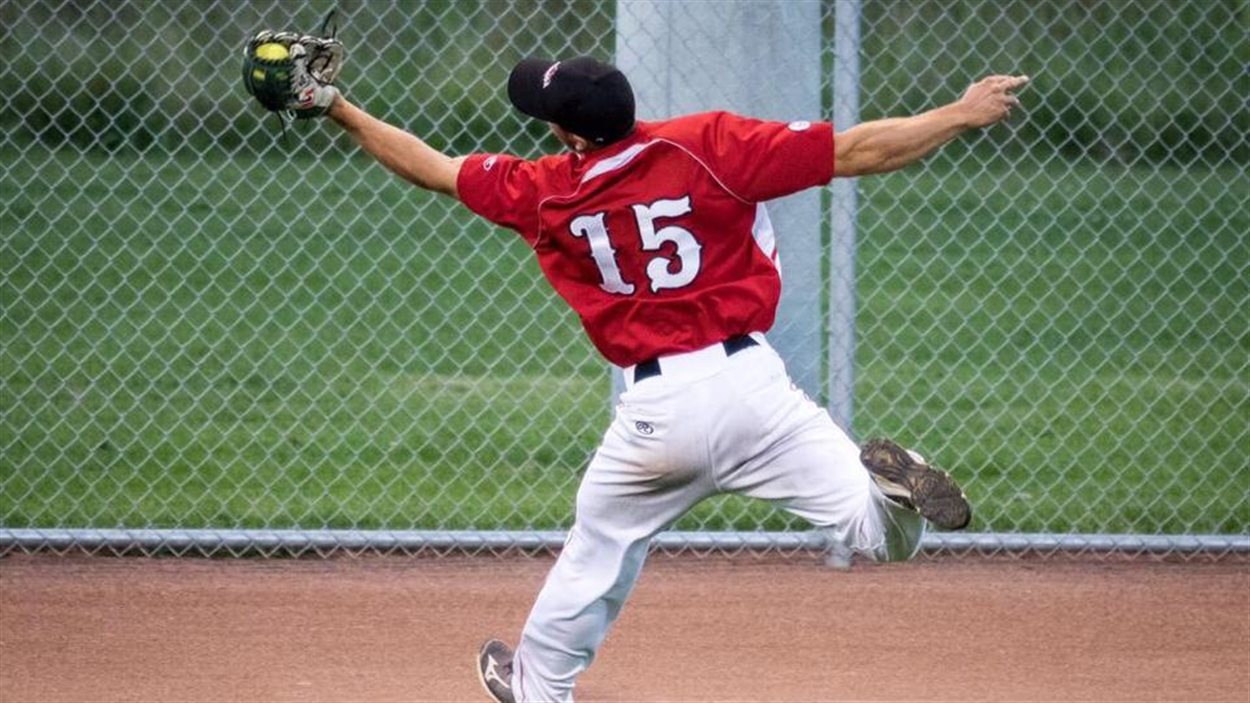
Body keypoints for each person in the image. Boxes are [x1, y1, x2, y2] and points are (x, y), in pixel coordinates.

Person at [312, 54, 1026, 702]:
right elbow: (858, 150)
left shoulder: (546, 190)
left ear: (570, 136)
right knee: (877, 533)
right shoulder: (712, 144)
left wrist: (336, 105)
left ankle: (536, 685)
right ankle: (897, 495)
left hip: (656, 412)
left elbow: (430, 166)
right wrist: (960, 113)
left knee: (600, 546)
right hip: (757, 393)